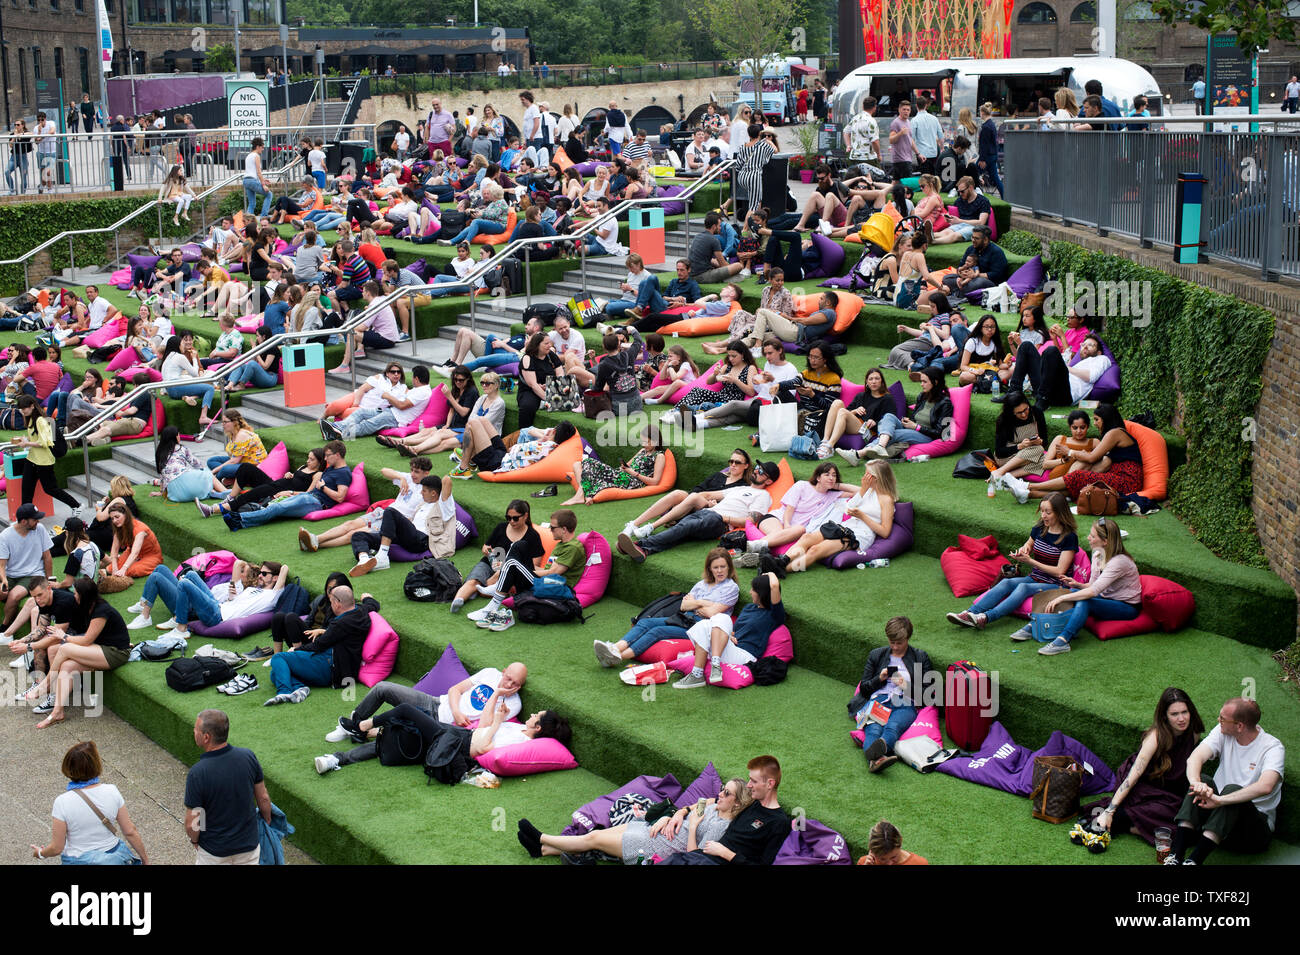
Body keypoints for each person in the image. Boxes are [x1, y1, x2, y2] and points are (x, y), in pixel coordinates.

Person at [314, 662, 528, 771]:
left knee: (393, 738)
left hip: (443, 729)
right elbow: (455, 690)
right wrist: (456, 710)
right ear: (503, 670)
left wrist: (499, 694)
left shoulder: (513, 703)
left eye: (515, 684)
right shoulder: (490, 673)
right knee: (383, 688)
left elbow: (483, 727)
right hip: (437, 703)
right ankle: (354, 726)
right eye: (508, 678)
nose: (509, 685)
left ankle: (338, 757)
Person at [520, 775, 753, 864]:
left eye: (727, 793)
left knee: (594, 838)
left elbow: (695, 857)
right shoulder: (713, 804)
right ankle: (542, 850)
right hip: (655, 829)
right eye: (722, 788)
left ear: (738, 803)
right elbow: (691, 807)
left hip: (658, 845)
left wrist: (691, 827)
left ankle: (542, 837)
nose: (720, 793)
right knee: (597, 838)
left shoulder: (722, 828)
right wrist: (676, 815)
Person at [1081, 688, 1206, 846]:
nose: (1181, 719)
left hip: (1169, 788)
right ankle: (1115, 817)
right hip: (1142, 784)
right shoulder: (1155, 737)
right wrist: (1110, 810)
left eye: (1184, 712)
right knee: (1160, 816)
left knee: (1186, 831)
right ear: (1165, 717)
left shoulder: (1194, 732)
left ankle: (1126, 824)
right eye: (1174, 714)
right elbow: (1133, 775)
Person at [1167, 698, 1284, 865]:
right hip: (1216, 822)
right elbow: (1195, 758)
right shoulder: (1223, 731)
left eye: (1222, 718)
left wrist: (1220, 801)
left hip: (1251, 833)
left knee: (1233, 790)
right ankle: (1175, 857)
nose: (1218, 720)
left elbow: (1265, 786)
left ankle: (1193, 861)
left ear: (1239, 726)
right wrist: (1196, 783)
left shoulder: (1273, 748)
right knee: (1203, 780)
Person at [947, 492, 1078, 638]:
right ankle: (970, 613)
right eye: (1042, 511)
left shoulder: (1069, 538)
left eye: (1048, 512)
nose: (1043, 515)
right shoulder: (1040, 528)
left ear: (1060, 513)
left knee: (1023, 587)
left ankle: (985, 618)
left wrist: (1030, 561)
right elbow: (1029, 543)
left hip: (1057, 584)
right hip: (1036, 577)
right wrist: (1024, 549)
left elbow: (1060, 571)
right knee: (1007, 582)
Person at [595, 548, 739, 667]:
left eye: (723, 567)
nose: (719, 571)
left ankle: (618, 657)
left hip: (702, 627)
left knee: (658, 631)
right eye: (716, 567)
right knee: (645, 622)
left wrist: (697, 603)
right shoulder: (702, 584)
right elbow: (683, 605)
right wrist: (704, 603)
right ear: (710, 569)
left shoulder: (731, 588)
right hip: (685, 618)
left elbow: (712, 613)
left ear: (729, 567)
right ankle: (615, 648)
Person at [616, 460, 779, 563]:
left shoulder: (763, 495)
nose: (757, 471)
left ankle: (639, 545)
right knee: (681, 532)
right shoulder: (740, 488)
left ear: (769, 480)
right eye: (757, 467)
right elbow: (708, 494)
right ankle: (644, 551)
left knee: (683, 528)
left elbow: (750, 521)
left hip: (719, 521)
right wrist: (693, 501)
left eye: (762, 471)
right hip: (709, 512)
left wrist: (724, 517)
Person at [20, 579, 130, 728]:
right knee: (67, 666)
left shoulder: (101, 610)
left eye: (76, 593)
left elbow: (86, 640)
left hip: (116, 652)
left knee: (64, 648)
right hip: (99, 647)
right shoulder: (86, 607)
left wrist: (63, 636)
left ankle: (45, 684)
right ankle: (57, 712)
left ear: (84, 595)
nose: (74, 596)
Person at [767, 460, 897, 576]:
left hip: (860, 535)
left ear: (877, 477)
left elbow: (885, 532)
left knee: (815, 550)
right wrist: (862, 490)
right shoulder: (867, 492)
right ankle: (783, 560)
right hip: (845, 526)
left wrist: (862, 516)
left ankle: (782, 570)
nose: (864, 477)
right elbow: (849, 506)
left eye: (867, 474)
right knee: (807, 537)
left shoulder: (886, 500)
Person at [1035, 517, 1143, 655]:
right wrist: (1077, 585)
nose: (1088, 538)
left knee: (1083, 601)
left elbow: (1093, 592)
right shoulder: (1098, 553)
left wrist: (1061, 599)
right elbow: (1093, 585)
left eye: (1092, 536)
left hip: (1127, 607)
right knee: (1071, 591)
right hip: (1106, 597)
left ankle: (1062, 641)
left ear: (1105, 541)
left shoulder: (1119, 562)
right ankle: (1037, 623)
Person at [466, 509, 586, 632]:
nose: (550, 530)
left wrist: (520, 571)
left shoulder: (573, 548)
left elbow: (553, 573)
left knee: (512, 564)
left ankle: (491, 606)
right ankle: (499, 584)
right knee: (519, 546)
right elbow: (546, 569)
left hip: (553, 587)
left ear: (564, 529)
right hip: (544, 581)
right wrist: (523, 569)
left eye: (553, 527)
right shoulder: (562, 544)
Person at [31, 741, 148, 865]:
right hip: (114, 857)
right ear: (96, 764)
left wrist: (40, 853)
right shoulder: (112, 791)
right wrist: (144, 859)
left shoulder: (62, 802)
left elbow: (57, 848)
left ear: (68, 768)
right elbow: (130, 831)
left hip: (78, 859)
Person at [658, 755, 789, 864]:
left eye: (753, 781)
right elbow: (713, 801)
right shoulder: (752, 803)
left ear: (770, 784)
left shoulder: (779, 822)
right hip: (701, 857)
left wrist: (726, 853)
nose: (749, 785)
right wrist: (681, 812)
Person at [265, 585, 379, 705]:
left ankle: (284, 692)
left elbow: (318, 645)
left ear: (337, 604)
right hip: (340, 667)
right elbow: (373, 605)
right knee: (277, 673)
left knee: (278, 658)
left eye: (331, 602)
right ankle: (300, 688)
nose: (330, 605)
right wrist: (367, 598)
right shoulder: (361, 611)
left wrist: (296, 649)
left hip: (331, 667)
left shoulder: (340, 623)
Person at [846, 617, 934, 772]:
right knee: (873, 729)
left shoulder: (920, 657)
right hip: (879, 699)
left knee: (892, 727)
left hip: (905, 703)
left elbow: (927, 696)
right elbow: (864, 689)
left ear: (908, 638)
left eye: (899, 643)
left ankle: (874, 756)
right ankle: (877, 759)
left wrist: (904, 685)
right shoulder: (876, 655)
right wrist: (879, 679)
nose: (895, 646)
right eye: (891, 642)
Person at [184, 709, 272, 865]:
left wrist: (195, 841)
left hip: (214, 853)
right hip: (248, 848)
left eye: (196, 730)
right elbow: (263, 798)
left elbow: (194, 821)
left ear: (206, 737)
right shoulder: (248, 757)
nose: (193, 732)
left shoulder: (198, 773)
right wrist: (267, 823)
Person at [129, 558, 288, 636]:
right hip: (217, 605)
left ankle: (181, 627)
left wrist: (281, 569)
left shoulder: (272, 595)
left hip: (218, 615)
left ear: (275, 578)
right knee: (188, 573)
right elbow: (238, 567)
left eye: (265, 574)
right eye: (260, 572)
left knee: (183, 584)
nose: (260, 576)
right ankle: (144, 604)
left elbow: (285, 569)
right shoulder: (252, 589)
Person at [1021, 404, 1144, 503]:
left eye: (1097, 419)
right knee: (1080, 482)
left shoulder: (1114, 433)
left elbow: (1091, 458)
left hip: (1127, 482)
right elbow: (1046, 464)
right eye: (1075, 428)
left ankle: (1028, 487)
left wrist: (1069, 452)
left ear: (1106, 419)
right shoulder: (1113, 434)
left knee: (1078, 476)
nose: (1095, 423)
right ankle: (1030, 494)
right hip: (1117, 476)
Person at [222, 440, 351, 531]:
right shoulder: (332, 469)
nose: (326, 459)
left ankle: (239, 520)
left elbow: (340, 497)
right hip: (308, 496)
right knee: (275, 507)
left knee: (277, 508)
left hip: (315, 501)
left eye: (328, 456)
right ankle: (239, 518)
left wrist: (323, 487)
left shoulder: (343, 473)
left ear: (338, 455)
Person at [740, 461, 854, 563]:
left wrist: (837, 485)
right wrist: (787, 525)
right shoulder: (802, 485)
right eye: (827, 474)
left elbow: (860, 492)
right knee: (783, 535)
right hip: (775, 519)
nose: (831, 478)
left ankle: (750, 557)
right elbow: (790, 508)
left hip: (795, 530)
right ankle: (753, 547)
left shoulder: (832, 495)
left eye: (834, 475)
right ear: (818, 477)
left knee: (800, 530)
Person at [349, 473, 457, 576]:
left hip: (421, 540)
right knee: (358, 535)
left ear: (433, 493)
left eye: (424, 491)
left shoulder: (444, 506)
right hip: (407, 536)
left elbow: (447, 480)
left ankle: (382, 556)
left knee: (390, 511)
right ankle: (364, 560)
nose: (421, 493)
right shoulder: (423, 504)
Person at [850, 366, 951, 461]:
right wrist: (908, 421)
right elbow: (914, 417)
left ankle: (860, 453)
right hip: (912, 429)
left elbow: (942, 433)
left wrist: (916, 427)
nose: (921, 384)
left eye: (924, 381)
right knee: (888, 416)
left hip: (926, 436)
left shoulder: (945, 403)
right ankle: (879, 447)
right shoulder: (922, 396)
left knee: (894, 433)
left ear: (935, 382)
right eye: (921, 381)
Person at [322, 365, 432, 442]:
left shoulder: (422, 392)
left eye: (413, 377)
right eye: (393, 372)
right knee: (361, 413)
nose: (412, 380)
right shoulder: (418, 390)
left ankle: (338, 433)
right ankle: (336, 427)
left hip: (396, 418)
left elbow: (402, 406)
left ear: (416, 378)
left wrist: (388, 396)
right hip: (390, 411)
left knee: (367, 425)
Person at [10, 396, 81, 512]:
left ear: (32, 406)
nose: (23, 411)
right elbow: (36, 436)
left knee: (50, 489)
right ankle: (26, 516)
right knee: (26, 489)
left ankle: (76, 506)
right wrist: (26, 439)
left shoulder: (40, 421)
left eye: (24, 409)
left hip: (44, 462)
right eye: (21, 409)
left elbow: (44, 442)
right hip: (32, 459)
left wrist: (27, 443)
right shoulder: (31, 419)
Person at [564, 425, 665, 507]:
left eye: (646, 442)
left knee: (589, 461)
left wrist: (635, 474)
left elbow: (655, 482)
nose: (644, 444)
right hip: (622, 474)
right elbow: (627, 465)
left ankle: (581, 495)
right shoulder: (643, 451)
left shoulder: (659, 456)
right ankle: (584, 495)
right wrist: (624, 467)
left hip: (632, 481)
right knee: (577, 464)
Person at [0, 503, 55, 628]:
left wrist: (49, 580)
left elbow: (47, 557)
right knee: (2, 592)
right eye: (35, 519)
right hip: (11, 574)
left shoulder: (40, 529)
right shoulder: (4, 536)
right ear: (24, 521)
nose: (38, 521)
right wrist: (4, 580)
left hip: (33, 574)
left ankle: (4, 628)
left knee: (14, 596)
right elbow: (1, 565)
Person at [150, 426, 229, 504]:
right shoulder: (181, 448)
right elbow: (197, 464)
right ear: (175, 437)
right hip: (184, 481)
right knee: (207, 474)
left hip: (175, 494)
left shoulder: (160, 452)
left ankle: (213, 492)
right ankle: (227, 493)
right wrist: (207, 473)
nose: (179, 437)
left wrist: (161, 492)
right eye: (178, 435)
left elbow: (162, 474)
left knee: (199, 478)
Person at [103, 503, 163, 578]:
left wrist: (124, 569)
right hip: (131, 552)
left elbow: (135, 553)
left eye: (117, 517)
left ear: (125, 515)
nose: (115, 520)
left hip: (150, 556)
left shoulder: (140, 529)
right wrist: (115, 568)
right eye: (112, 518)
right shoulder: (119, 528)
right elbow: (114, 550)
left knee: (132, 570)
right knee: (110, 569)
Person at [856, 819, 928, 865]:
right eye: (882, 859)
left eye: (893, 857)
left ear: (901, 841)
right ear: (871, 850)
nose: (889, 863)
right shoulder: (864, 862)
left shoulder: (919, 863)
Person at [242, 137, 273, 217]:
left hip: (246, 181)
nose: (262, 149)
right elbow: (259, 172)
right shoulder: (256, 156)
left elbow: (252, 171)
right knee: (269, 195)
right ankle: (264, 216)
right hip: (252, 180)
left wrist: (262, 180)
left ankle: (247, 220)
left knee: (252, 203)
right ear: (257, 147)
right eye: (262, 147)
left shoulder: (249, 156)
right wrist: (263, 184)